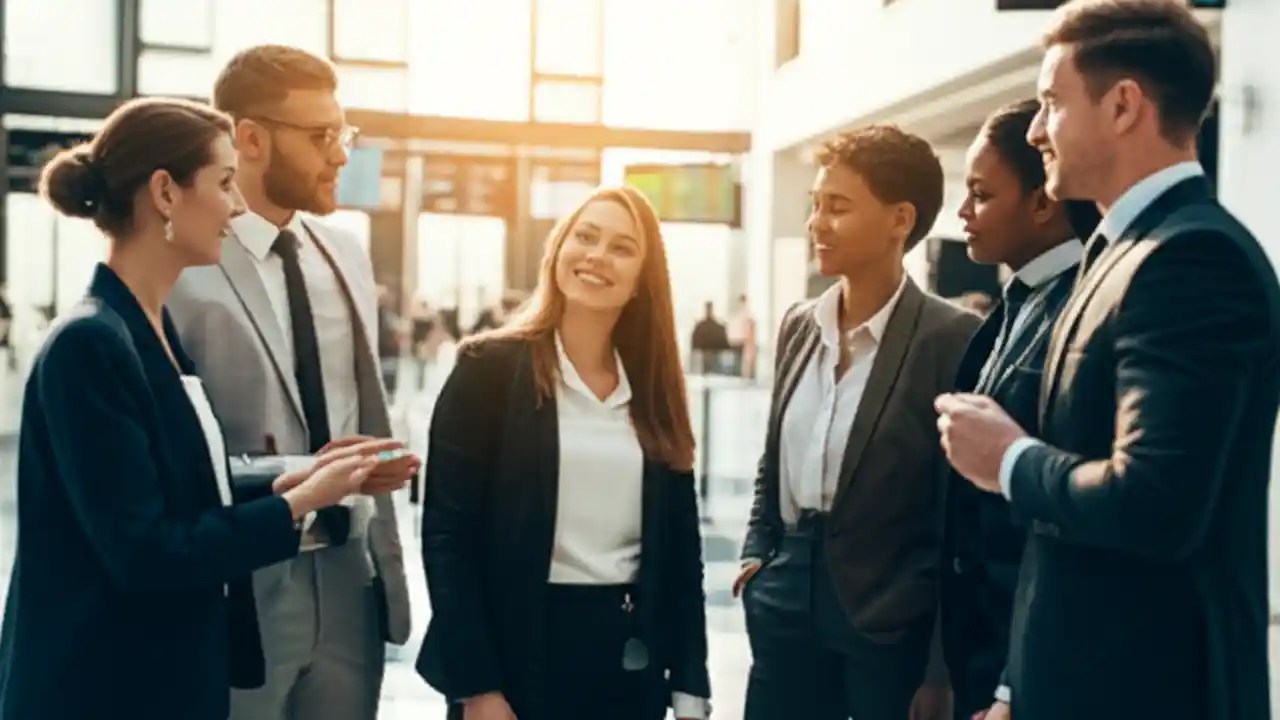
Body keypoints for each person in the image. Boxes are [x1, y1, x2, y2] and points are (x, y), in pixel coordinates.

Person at [0, 97, 400, 719]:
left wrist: (295, 473)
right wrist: (297, 505)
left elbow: (175, 483)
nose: (237, 207)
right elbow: (149, 553)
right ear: (165, 192)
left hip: (154, 675)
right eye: (223, 184)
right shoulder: (91, 345)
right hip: (103, 685)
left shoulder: (147, 329)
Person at [935, 2, 1280, 719]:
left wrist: (1007, 460)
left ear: (1124, 105)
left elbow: (1156, 505)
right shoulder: (1112, 254)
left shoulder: (1192, 259)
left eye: (1053, 103)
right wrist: (1014, 688)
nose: (1036, 129)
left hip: (1153, 691)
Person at [166, 45, 416, 720]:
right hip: (242, 584)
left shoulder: (347, 255)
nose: (341, 155)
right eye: (321, 136)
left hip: (348, 579)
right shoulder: (180, 268)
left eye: (345, 134)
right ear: (248, 138)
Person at [416, 186, 711, 720]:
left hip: (626, 663)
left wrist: (690, 680)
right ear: (558, 248)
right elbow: (447, 536)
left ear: (643, 278)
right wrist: (477, 686)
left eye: (622, 247)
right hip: (516, 653)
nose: (597, 256)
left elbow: (681, 553)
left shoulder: (652, 390)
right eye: (586, 236)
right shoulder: (488, 369)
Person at [734, 125, 980, 720]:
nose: (817, 223)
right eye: (815, 204)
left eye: (837, 207)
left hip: (890, 622)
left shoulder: (951, 338)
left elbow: (960, 514)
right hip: (786, 598)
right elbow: (776, 455)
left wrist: (940, 667)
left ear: (900, 219)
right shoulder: (800, 324)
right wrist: (757, 553)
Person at [941, 99, 1095, 720]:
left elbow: (1056, 529)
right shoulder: (1019, 298)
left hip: (1026, 667)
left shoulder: (1074, 311)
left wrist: (1011, 687)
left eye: (981, 194)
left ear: (1042, 202)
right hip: (981, 654)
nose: (963, 213)